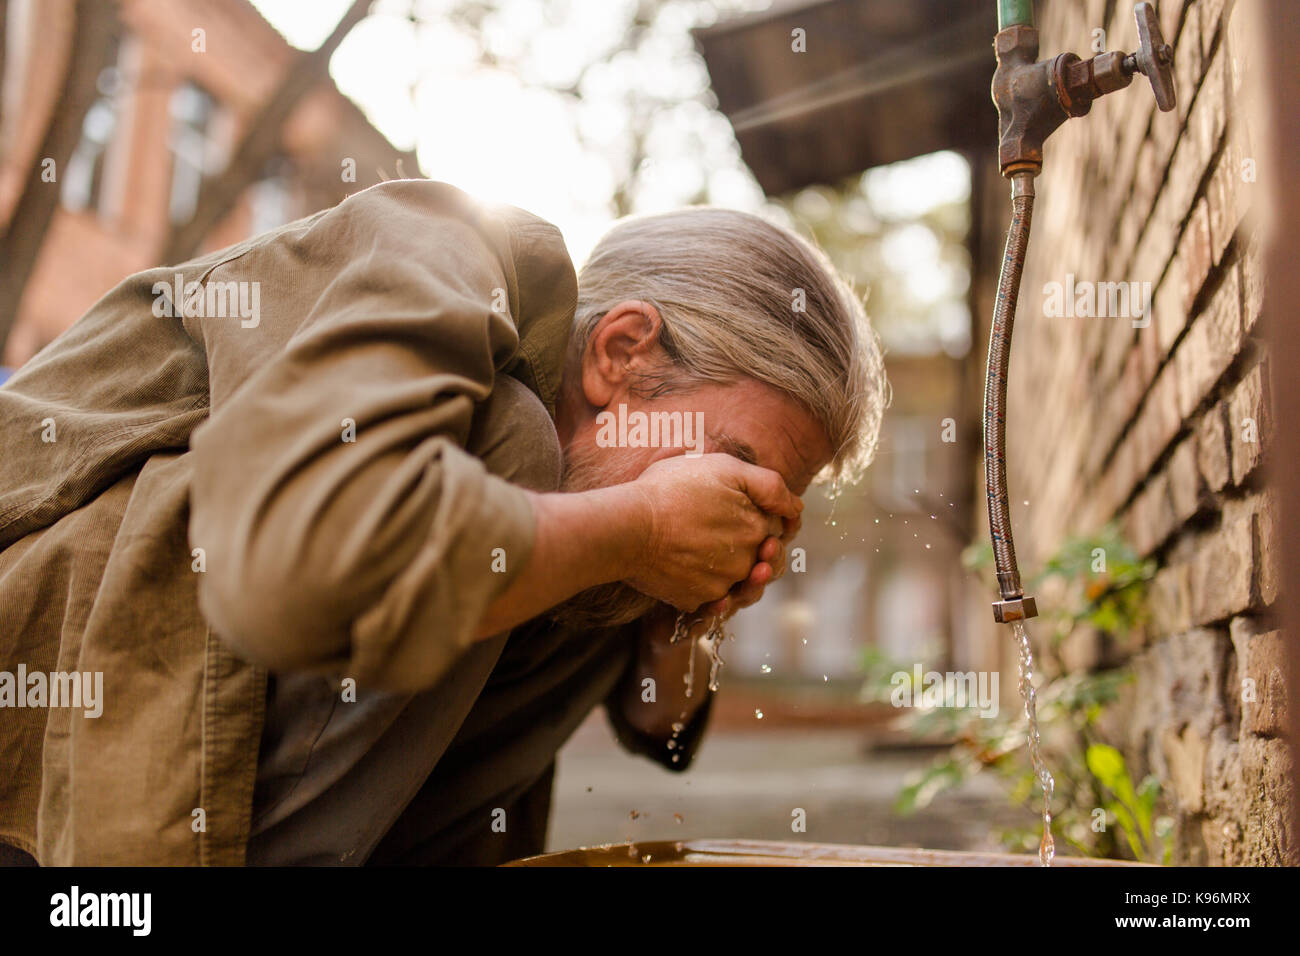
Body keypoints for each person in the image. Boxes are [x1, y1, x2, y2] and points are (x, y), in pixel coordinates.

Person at [0, 178, 885, 865]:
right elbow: (299, 568)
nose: (737, 508)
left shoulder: (602, 491)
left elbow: (658, 726)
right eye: (731, 466)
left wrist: (685, 600)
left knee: (591, 569)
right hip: (51, 710)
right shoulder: (430, 247)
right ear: (622, 352)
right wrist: (643, 526)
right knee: (520, 459)